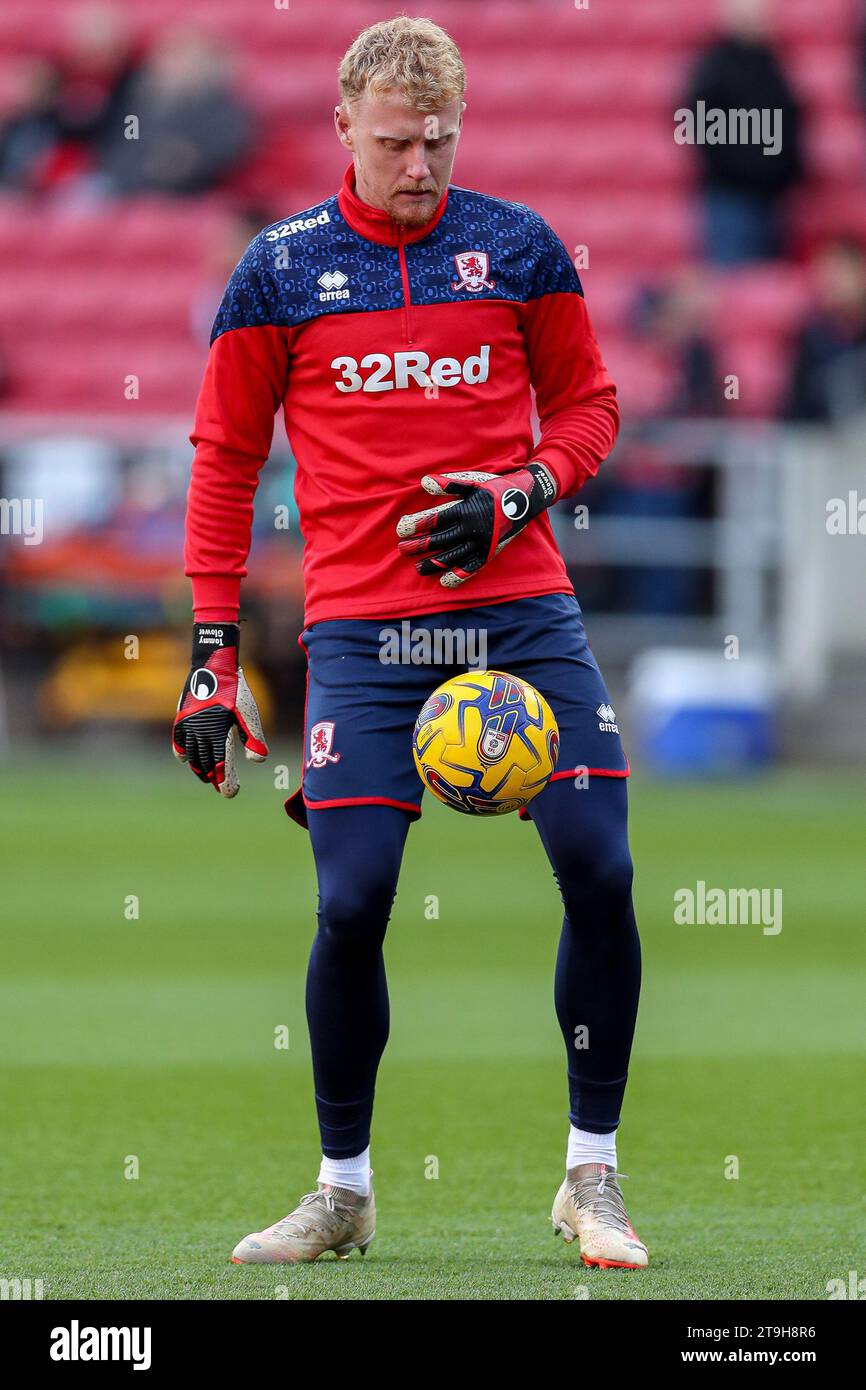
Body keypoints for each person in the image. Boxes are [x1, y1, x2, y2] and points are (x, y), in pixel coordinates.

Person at [172, 16, 647, 1271]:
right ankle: (343, 1191)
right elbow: (224, 460)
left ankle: (589, 1176)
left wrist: (520, 490)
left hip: (519, 610)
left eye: (438, 139)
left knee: (601, 873)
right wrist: (213, 648)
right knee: (352, 900)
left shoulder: (517, 248)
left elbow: (591, 404)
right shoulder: (276, 270)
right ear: (343, 127)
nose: (420, 163)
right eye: (394, 141)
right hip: (365, 628)